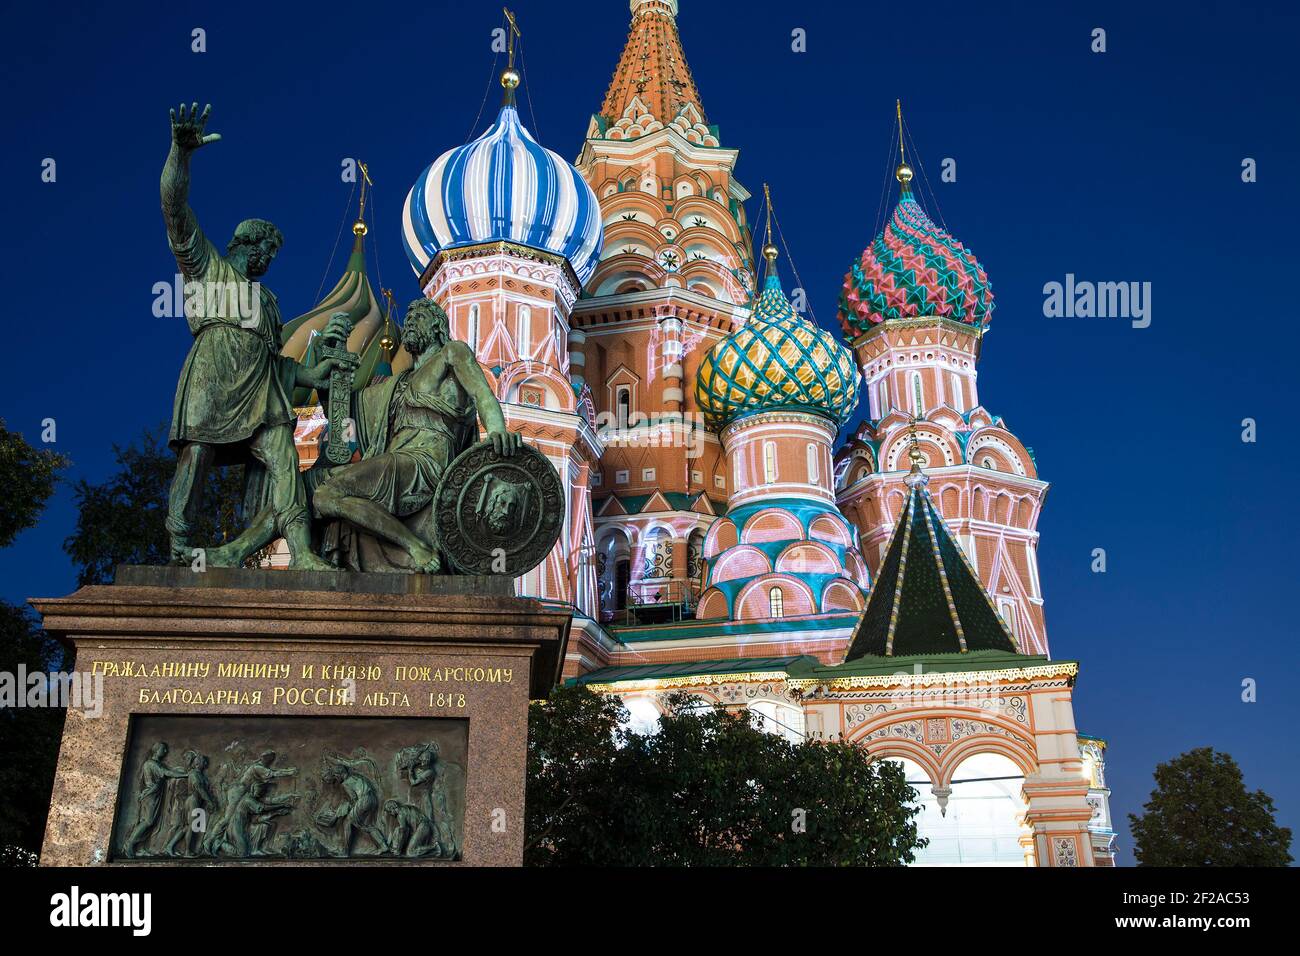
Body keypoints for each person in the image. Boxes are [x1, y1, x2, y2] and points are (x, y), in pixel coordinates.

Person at [160, 102, 338, 570]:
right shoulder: (208, 268)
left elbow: (274, 362)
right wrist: (181, 153)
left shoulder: (270, 301)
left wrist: (311, 370)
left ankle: (302, 554)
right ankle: (179, 541)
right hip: (214, 375)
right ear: (248, 244)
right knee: (197, 455)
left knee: (285, 466)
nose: (269, 260)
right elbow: (174, 210)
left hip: (262, 394)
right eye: (268, 251)